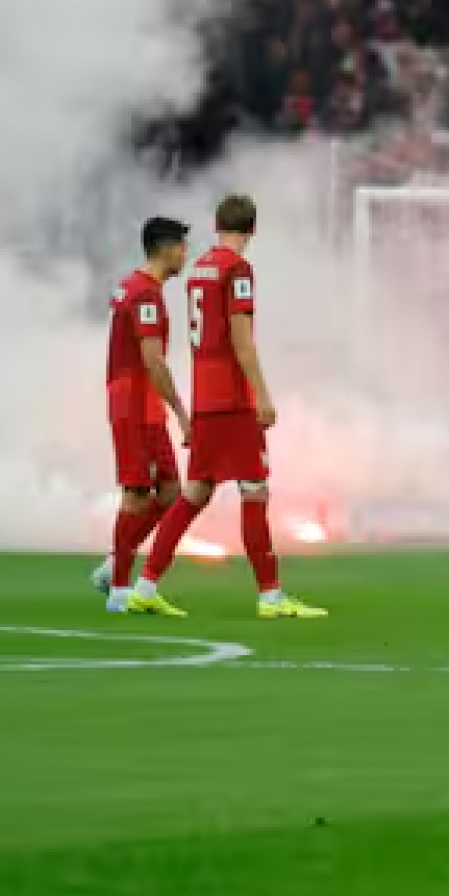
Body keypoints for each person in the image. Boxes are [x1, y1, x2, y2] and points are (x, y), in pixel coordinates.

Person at [127, 195, 325, 618]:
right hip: (233, 399)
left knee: (196, 492)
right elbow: (241, 340)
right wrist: (263, 396)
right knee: (254, 490)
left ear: (217, 226)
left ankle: (145, 584)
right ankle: (271, 596)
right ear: (253, 230)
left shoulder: (198, 270)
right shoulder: (238, 270)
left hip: (204, 394)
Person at [95, 217, 191, 613]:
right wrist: (183, 413)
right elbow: (153, 361)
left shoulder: (138, 289)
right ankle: (119, 588)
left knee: (170, 492)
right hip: (134, 401)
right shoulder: (145, 295)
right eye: (182, 248)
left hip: (142, 402)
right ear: (165, 249)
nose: (185, 255)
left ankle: (115, 563)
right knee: (136, 493)